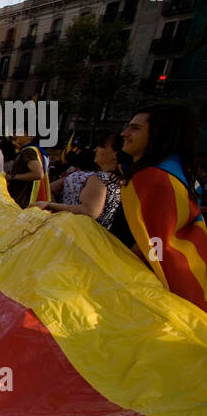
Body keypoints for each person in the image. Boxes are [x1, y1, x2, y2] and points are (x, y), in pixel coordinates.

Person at [111, 104, 207, 311]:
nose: (124, 134)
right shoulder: (176, 172)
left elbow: (154, 244)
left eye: (135, 129)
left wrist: (107, 270)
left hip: (147, 289)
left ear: (158, 135)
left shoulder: (155, 178)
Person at [34, 133, 129, 230]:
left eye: (101, 146)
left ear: (115, 154)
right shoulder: (120, 179)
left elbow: (90, 211)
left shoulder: (100, 178)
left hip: (80, 232)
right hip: (101, 236)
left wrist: (50, 205)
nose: (96, 149)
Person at [5, 130, 50, 208]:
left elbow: (38, 174)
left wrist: (12, 177)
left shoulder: (29, 151)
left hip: (23, 199)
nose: (14, 136)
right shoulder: (39, 150)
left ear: (31, 136)